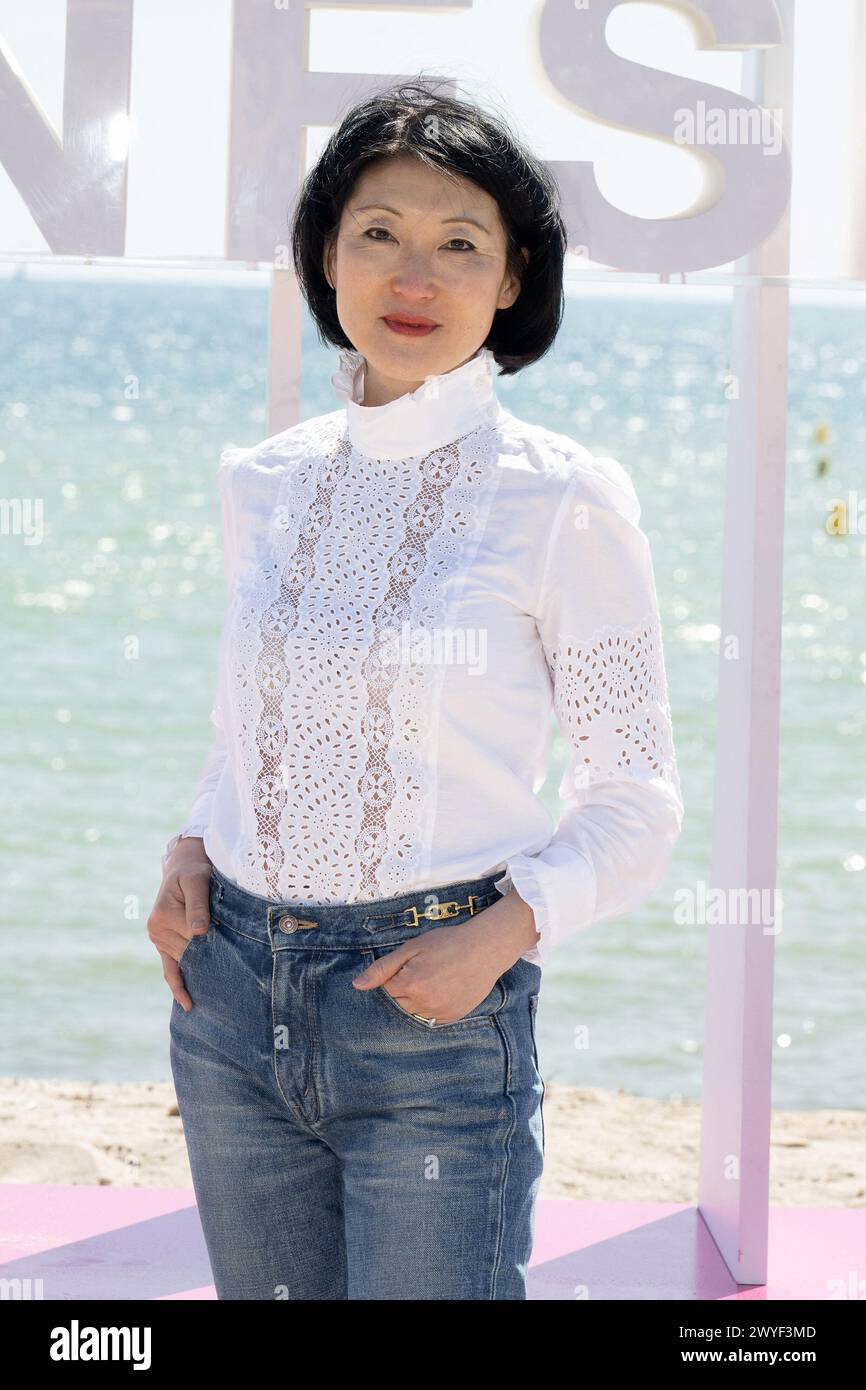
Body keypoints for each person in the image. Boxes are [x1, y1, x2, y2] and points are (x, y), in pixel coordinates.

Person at [147, 79, 684, 1300]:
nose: (412, 274)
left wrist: (496, 940)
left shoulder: (561, 498)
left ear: (510, 280)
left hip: (432, 1010)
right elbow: (252, 729)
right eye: (377, 232)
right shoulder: (265, 480)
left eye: (458, 244)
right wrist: (190, 844)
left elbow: (634, 798)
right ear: (325, 252)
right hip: (228, 998)